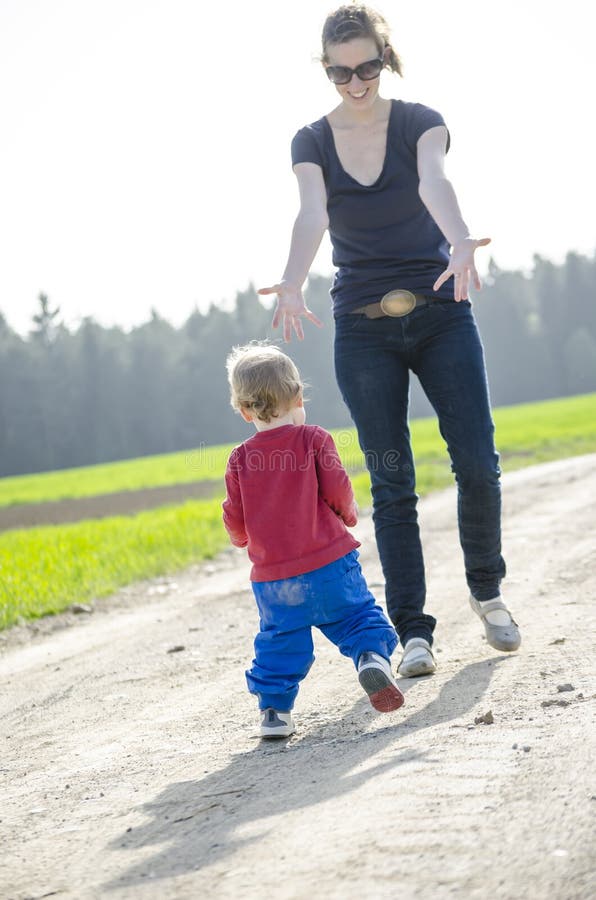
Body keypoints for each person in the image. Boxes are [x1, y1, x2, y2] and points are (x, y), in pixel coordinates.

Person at [258, 4, 521, 677]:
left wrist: (459, 236)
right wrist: (292, 279)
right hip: (362, 327)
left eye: (367, 67)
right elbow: (311, 212)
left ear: (385, 58)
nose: (355, 82)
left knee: (477, 462)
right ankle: (414, 632)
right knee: (392, 480)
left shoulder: (418, 122)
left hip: (441, 310)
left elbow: (435, 180)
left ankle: (487, 590)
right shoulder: (310, 141)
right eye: (341, 71)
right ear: (327, 69)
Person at [222, 342, 404, 738]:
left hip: (275, 579)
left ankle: (274, 712)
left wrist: (241, 539)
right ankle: (371, 657)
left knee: (280, 641)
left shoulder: (239, 459)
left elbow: (235, 516)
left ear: (244, 410)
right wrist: (348, 515)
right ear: (298, 397)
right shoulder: (313, 438)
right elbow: (338, 489)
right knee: (356, 616)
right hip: (329, 564)